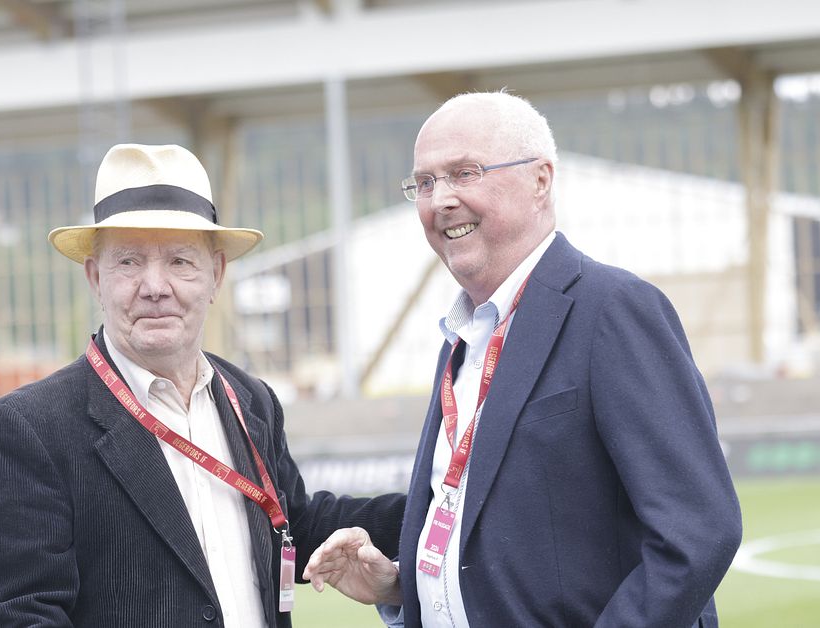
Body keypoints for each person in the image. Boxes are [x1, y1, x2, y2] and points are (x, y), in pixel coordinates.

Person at [304, 92, 743, 627]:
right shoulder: (463, 338)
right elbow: (499, 535)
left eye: (464, 173)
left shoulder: (611, 309)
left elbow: (698, 529)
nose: (440, 199)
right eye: (424, 182)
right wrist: (400, 586)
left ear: (540, 180)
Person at [0, 143, 404, 627]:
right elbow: (16, 615)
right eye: (128, 262)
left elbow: (288, 522)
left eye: (179, 261)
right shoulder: (27, 430)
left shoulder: (251, 400)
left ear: (215, 275)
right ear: (95, 279)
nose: (154, 286)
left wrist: (444, 507)